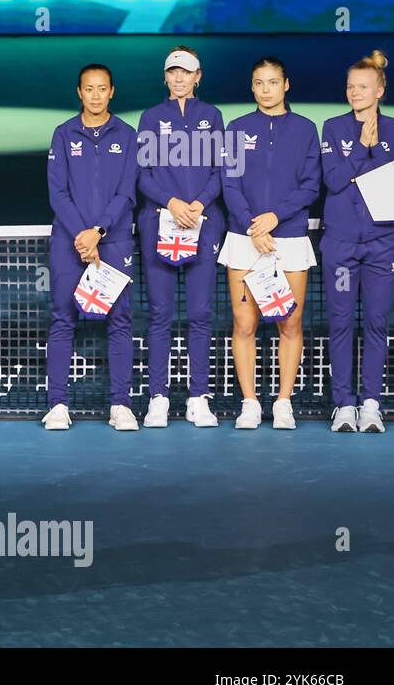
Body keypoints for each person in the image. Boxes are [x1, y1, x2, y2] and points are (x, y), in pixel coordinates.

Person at [219, 57, 320, 430]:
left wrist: (275, 217)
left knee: (290, 323)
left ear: (286, 85)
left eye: (273, 82)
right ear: (252, 87)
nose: (266, 89)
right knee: (244, 323)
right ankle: (249, 403)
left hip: (290, 238)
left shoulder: (307, 129)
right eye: (259, 83)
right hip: (244, 239)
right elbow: (229, 183)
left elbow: (311, 184)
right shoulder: (236, 128)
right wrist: (253, 225)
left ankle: (282, 403)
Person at [42, 64, 140, 431]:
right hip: (69, 242)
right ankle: (57, 406)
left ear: (111, 92)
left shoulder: (128, 135)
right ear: (79, 92)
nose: (96, 95)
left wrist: (98, 232)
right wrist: (82, 235)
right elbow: (58, 192)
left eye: (102, 89)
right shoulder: (63, 134)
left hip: (113, 242)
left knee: (120, 322)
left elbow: (127, 192)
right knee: (63, 320)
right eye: (89, 89)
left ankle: (121, 406)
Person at [136, 47, 225, 428]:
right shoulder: (151, 118)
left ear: (198, 76)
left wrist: (199, 205)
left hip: (203, 224)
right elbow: (141, 176)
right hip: (160, 222)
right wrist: (172, 202)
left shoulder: (213, 117)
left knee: (201, 314)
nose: (178, 78)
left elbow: (224, 171)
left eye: (185, 72)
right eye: (172, 72)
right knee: (160, 313)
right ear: (165, 77)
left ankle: (198, 397)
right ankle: (158, 397)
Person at [319, 50, 394, 432]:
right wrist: (362, 149)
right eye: (350, 87)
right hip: (342, 247)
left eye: (363, 87)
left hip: (382, 246)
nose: (355, 93)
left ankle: (371, 404)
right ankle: (343, 405)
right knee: (342, 322)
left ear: (380, 90)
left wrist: (376, 147)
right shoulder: (332, 128)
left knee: (377, 323)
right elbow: (333, 180)